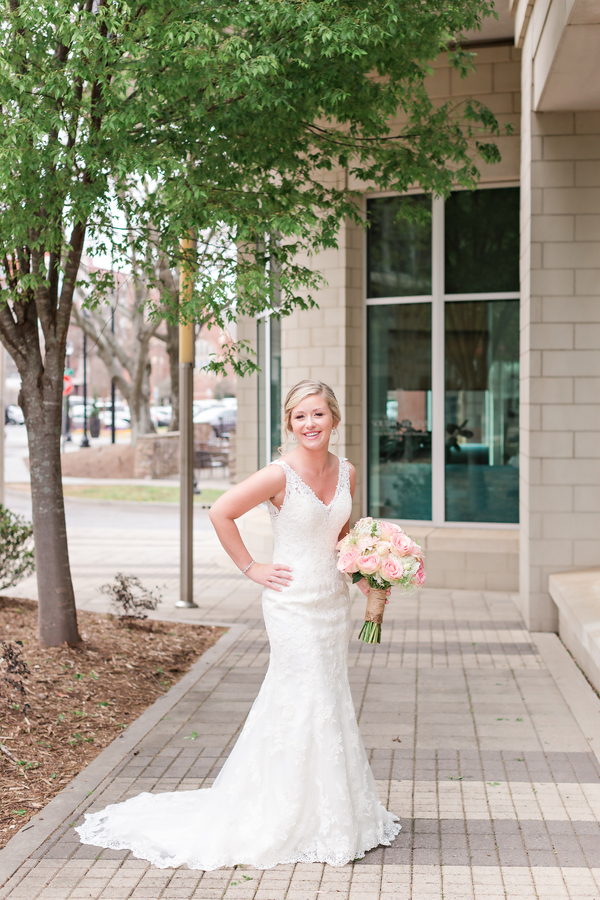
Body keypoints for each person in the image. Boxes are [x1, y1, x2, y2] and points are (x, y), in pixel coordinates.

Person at [76, 379, 400, 869]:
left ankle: (331, 811)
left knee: (328, 698)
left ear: (334, 418)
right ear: (289, 424)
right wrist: (252, 568)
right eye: (299, 417)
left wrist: (367, 580)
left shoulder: (347, 472)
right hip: (291, 604)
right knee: (305, 696)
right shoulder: (279, 474)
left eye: (317, 414)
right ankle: (284, 814)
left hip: (333, 605)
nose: (309, 424)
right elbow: (222, 511)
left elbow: (341, 538)